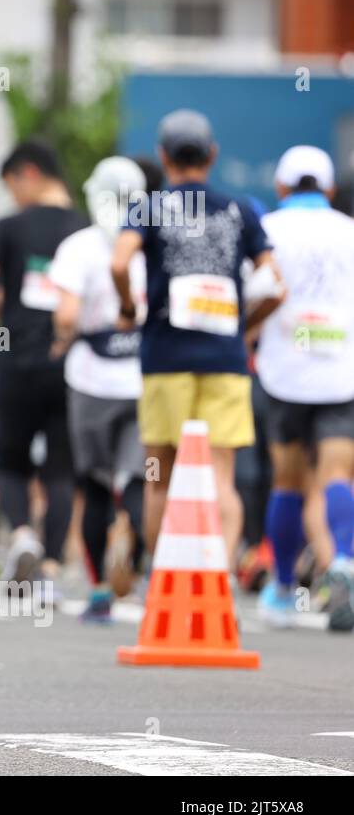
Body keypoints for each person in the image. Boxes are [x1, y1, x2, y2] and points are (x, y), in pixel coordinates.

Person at [111, 110, 285, 583]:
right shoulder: (239, 210)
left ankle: (161, 578)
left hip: (164, 359)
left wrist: (129, 309)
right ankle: (218, 580)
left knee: (157, 474)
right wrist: (243, 327)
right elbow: (276, 284)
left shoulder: (147, 208)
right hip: (225, 362)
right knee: (221, 475)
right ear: (213, 155)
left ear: (163, 156)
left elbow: (120, 260)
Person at [0, 140, 87, 593]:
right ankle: (50, 569)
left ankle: (21, 534)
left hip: (15, 359)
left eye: (12, 185)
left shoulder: (9, 227)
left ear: (27, 174)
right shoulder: (84, 229)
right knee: (59, 469)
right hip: (71, 364)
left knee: (10, 461)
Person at [252, 146, 354, 630]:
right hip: (340, 369)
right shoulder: (349, 230)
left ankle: (281, 587)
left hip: (284, 369)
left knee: (287, 480)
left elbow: (258, 291)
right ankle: (346, 561)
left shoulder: (267, 229)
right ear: (329, 189)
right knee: (338, 474)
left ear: (281, 187)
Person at [49, 157, 149, 623]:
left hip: (91, 375)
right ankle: (134, 534)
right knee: (138, 478)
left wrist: (61, 339)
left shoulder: (79, 246)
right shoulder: (153, 244)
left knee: (92, 483)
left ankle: (97, 591)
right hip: (142, 375)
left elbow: (67, 315)